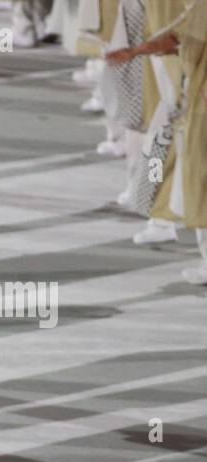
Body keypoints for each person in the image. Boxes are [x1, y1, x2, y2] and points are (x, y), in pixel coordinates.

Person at [108, 0, 207, 279]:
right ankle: (160, 217)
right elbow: (180, 36)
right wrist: (135, 51)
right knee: (159, 154)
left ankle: (161, 219)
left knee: (162, 153)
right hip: (182, 100)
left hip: (185, 103)